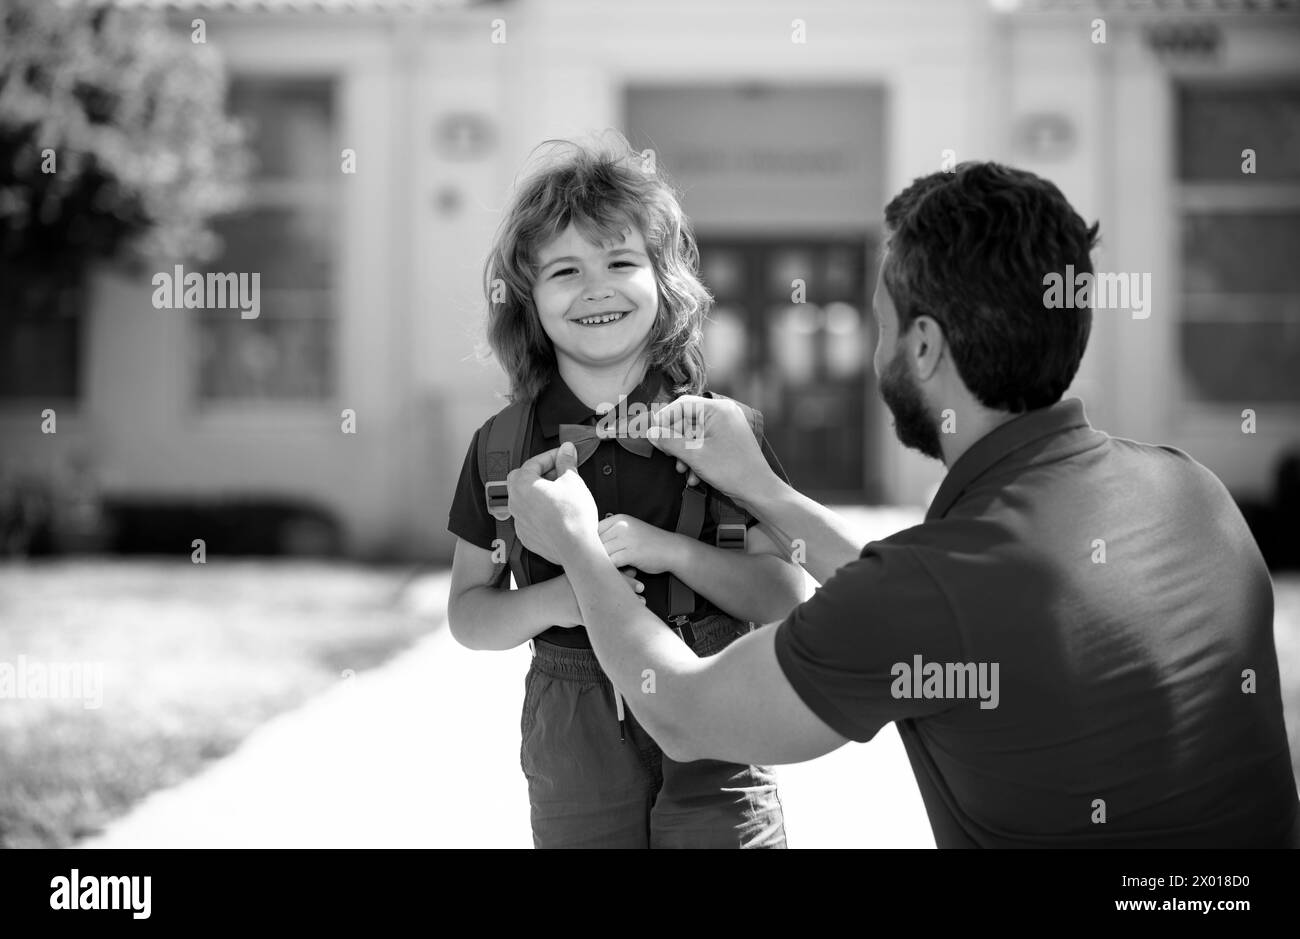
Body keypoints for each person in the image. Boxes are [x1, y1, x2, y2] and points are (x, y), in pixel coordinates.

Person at [506, 161, 1300, 848]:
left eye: (880, 323)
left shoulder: (930, 591)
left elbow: (680, 710)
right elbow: (944, 605)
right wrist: (764, 490)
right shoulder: (1193, 489)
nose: (872, 351)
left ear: (922, 347)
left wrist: (578, 546)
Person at [445, 137, 802, 848]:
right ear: (528, 300)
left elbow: (785, 597)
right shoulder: (500, 446)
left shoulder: (725, 431)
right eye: (565, 270)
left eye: (620, 261)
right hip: (573, 727)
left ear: (665, 283)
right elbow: (467, 614)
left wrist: (670, 551)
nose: (595, 287)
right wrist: (560, 599)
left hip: (715, 705)